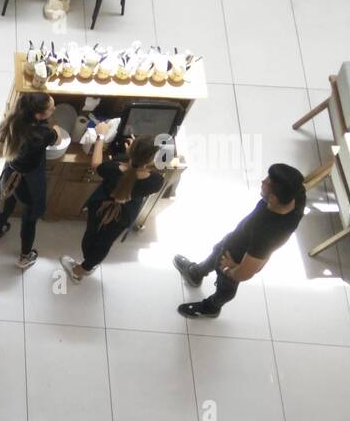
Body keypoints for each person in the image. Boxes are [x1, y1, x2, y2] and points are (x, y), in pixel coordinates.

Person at [173, 163, 306, 319]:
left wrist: (230, 270)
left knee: (226, 287)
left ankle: (211, 307)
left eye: (267, 183)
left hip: (235, 258)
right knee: (216, 251)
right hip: (235, 240)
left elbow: (245, 273)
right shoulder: (296, 195)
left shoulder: (268, 233)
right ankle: (196, 273)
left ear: (274, 198)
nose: (263, 181)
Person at [60, 135, 165, 282]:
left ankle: (80, 270)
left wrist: (100, 136)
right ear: (152, 159)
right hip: (125, 214)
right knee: (106, 241)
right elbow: (138, 173)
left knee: (92, 234)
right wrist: (134, 156)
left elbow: (96, 164)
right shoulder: (156, 181)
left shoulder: (112, 168)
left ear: (130, 151)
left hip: (101, 208)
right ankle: (89, 265)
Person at [0, 92, 61, 269]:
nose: (54, 109)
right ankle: (24, 256)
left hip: (10, 172)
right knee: (30, 218)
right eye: (51, 108)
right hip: (29, 182)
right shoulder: (42, 134)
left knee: (5, 203)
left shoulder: (13, 120)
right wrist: (56, 129)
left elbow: (1, 150)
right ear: (39, 115)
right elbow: (57, 137)